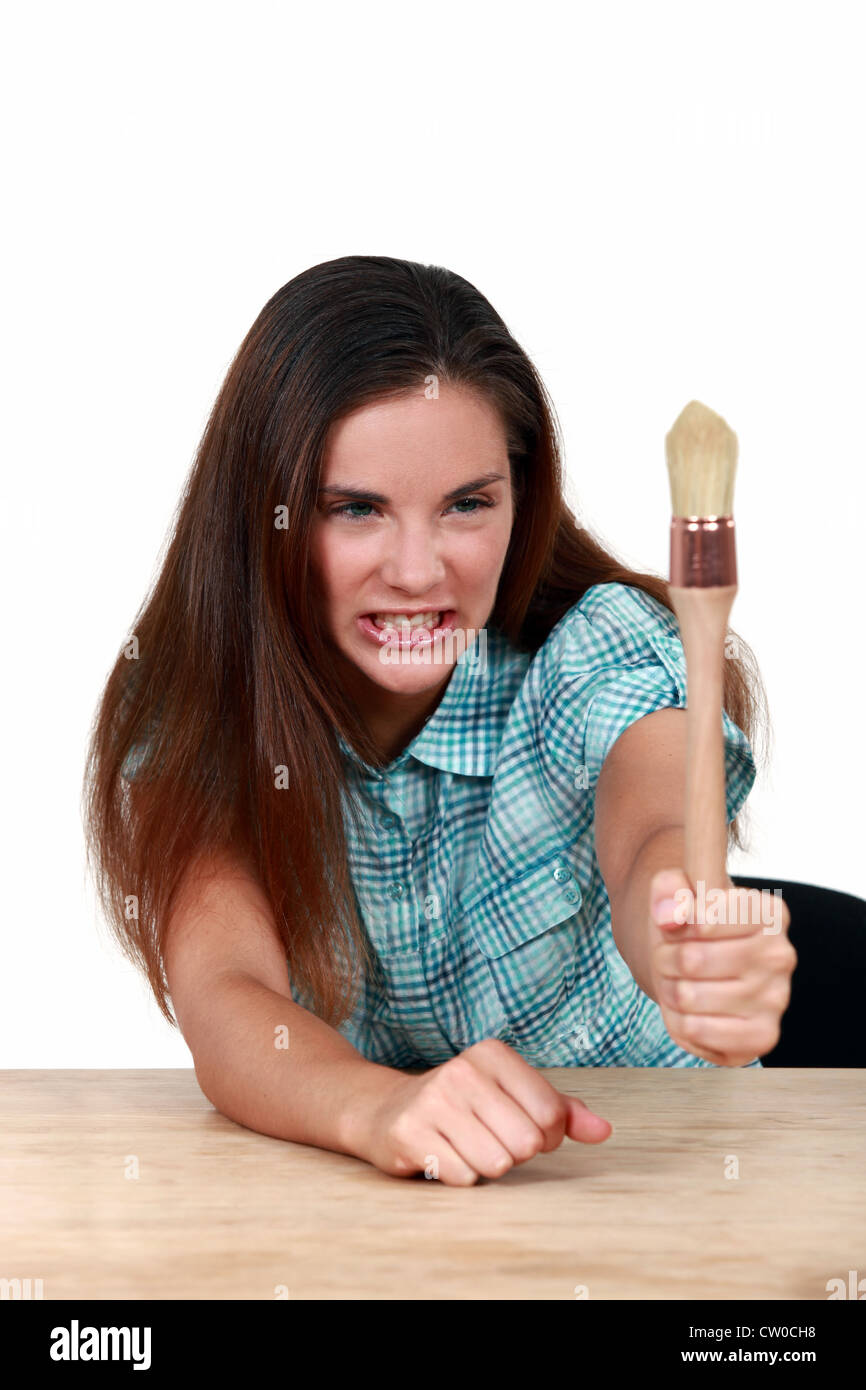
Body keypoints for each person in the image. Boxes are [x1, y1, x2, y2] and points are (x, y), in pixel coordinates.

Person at [83, 255, 796, 1186]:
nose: (418, 573)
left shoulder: (598, 650)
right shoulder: (196, 709)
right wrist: (380, 1106)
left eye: (467, 505)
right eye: (357, 510)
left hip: (655, 1186)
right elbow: (229, 995)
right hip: (381, 1215)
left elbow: (653, 837)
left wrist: (682, 938)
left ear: (520, 499)